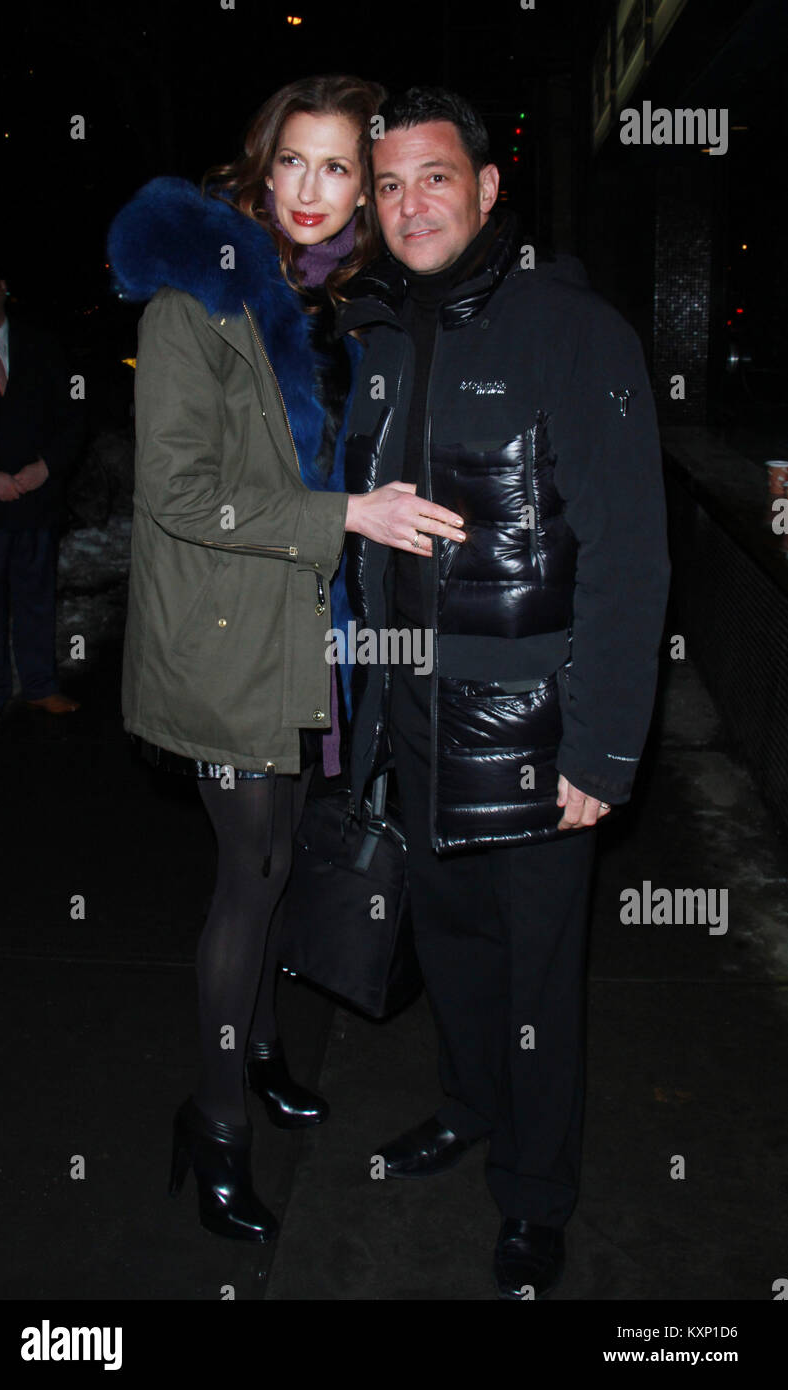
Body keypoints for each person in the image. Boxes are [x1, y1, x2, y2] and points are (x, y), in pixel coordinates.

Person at [105, 75, 465, 1244]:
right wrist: (345, 519)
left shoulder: (326, 306)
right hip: (224, 641)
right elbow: (175, 492)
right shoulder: (191, 304)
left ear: (361, 187)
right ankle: (212, 1127)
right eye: (293, 164)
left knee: (278, 867)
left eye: (337, 170)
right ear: (260, 170)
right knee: (245, 883)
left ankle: (256, 1049)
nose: (311, 192)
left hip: (309, 634)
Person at [338, 87, 671, 1298]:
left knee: (538, 976)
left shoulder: (573, 331)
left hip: (537, 727)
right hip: (416, 715)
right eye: (388, 185)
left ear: (486, 191)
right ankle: (469, 1106)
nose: (410, 203)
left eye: (434, 178)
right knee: (456, 949)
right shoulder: (375, 331)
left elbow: (631, 552)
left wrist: (604, 752)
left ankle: (535, 1200)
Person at [0, 253, 85, 730]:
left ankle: (41, 686)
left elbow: (75, 413)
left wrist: (47, 467)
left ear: (2, 285)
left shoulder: (43, 346)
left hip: (37, 497)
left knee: (37, 595)